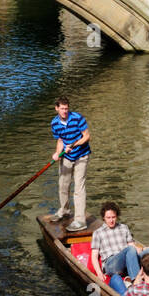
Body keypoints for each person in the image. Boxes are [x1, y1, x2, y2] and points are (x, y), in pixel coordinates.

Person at [91, 202, 149, 293]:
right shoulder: (98, 233)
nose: (111, 220)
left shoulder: (124, 228)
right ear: (103, 218)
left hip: (126, 259)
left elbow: (132, 245)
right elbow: (94, 256)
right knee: (130, 250)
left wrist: (143, 250)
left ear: (117, 216)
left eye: (113, 217)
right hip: (111, 264)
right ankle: (136, 283)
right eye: (108, 218)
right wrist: (99, 273)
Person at [49, 96, 90, 231]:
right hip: (67, 156)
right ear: (57, 109)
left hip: (81, 155)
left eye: (66, 109)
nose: (65, 111)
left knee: (79, 187)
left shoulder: (77, 118)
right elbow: (60, 141)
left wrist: (73, 144)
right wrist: (57, 153)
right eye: (62, 109)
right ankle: (64, 210)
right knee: (63, 184)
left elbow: (86, 136)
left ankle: (80, 220)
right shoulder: (54, 123)